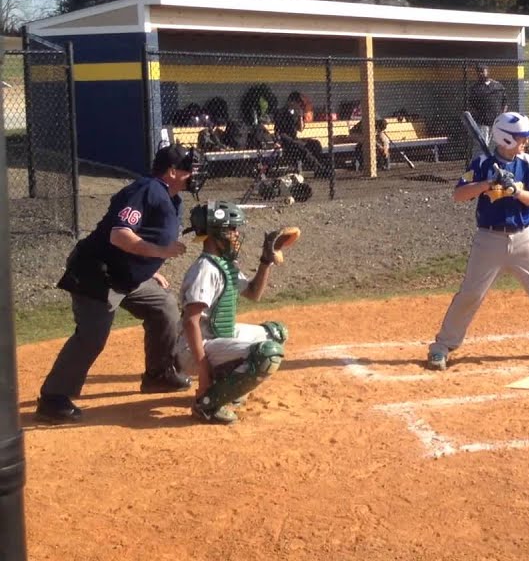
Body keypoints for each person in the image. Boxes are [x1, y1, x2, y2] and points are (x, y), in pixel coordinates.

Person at [34, 144, 204, 424]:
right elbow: (120, 236)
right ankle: (53, 398)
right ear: (172, 171)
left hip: (127, 276)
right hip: (98, 274)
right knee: (92, 336)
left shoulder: (172, 198)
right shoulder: (146, 190)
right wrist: (161, 253)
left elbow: (148, 236)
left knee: (164, 307)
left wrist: (150, 271)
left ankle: (159, 376)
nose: (193, 175)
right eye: (188, 170)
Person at [426, 111, 529, 371]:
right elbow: (459, 195)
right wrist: (487, 184)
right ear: (506, 139)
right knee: (471, 294)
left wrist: (516, 190)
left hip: (523, 239)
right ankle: (441, 347)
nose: (525, 142)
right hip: (489, 239)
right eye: (521, 138)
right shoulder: (482, 164)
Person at [177, 200, 290, 424]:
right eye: (231, 229)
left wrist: (266, 260)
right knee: (266, 353)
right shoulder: (205, 269)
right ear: (215, 233)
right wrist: (203, 373)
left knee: (275, 333)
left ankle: (229, 388)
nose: (236, 234)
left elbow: (253, 293)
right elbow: (191, 321)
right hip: (193, 349)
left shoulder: (223, 264)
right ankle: (208, 404)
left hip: (215, 337)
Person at [273, 91, 331, 177]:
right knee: (301, 148)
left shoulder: (296, 113)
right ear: (291, 101)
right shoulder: (281, 112)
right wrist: (277, 141)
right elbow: (277, 130)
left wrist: (300, 116)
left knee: (315, 144)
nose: (299, 105)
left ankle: (320, 167)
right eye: (297, 102)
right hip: (284, 139)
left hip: (294, 139)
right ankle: (319, 169)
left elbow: (300, 129)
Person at [464, 64, 507, 157]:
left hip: (496, 123)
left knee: (494, 146)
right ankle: (478, 165)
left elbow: (504, 103)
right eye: (478, 72)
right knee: (481, 146)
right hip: (482, 123)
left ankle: (493, 165)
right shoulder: (475, 88)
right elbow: (471, 105)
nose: (480, 74)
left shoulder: (497, 86)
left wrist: (502, 117)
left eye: (482, 71)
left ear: (487, 71)